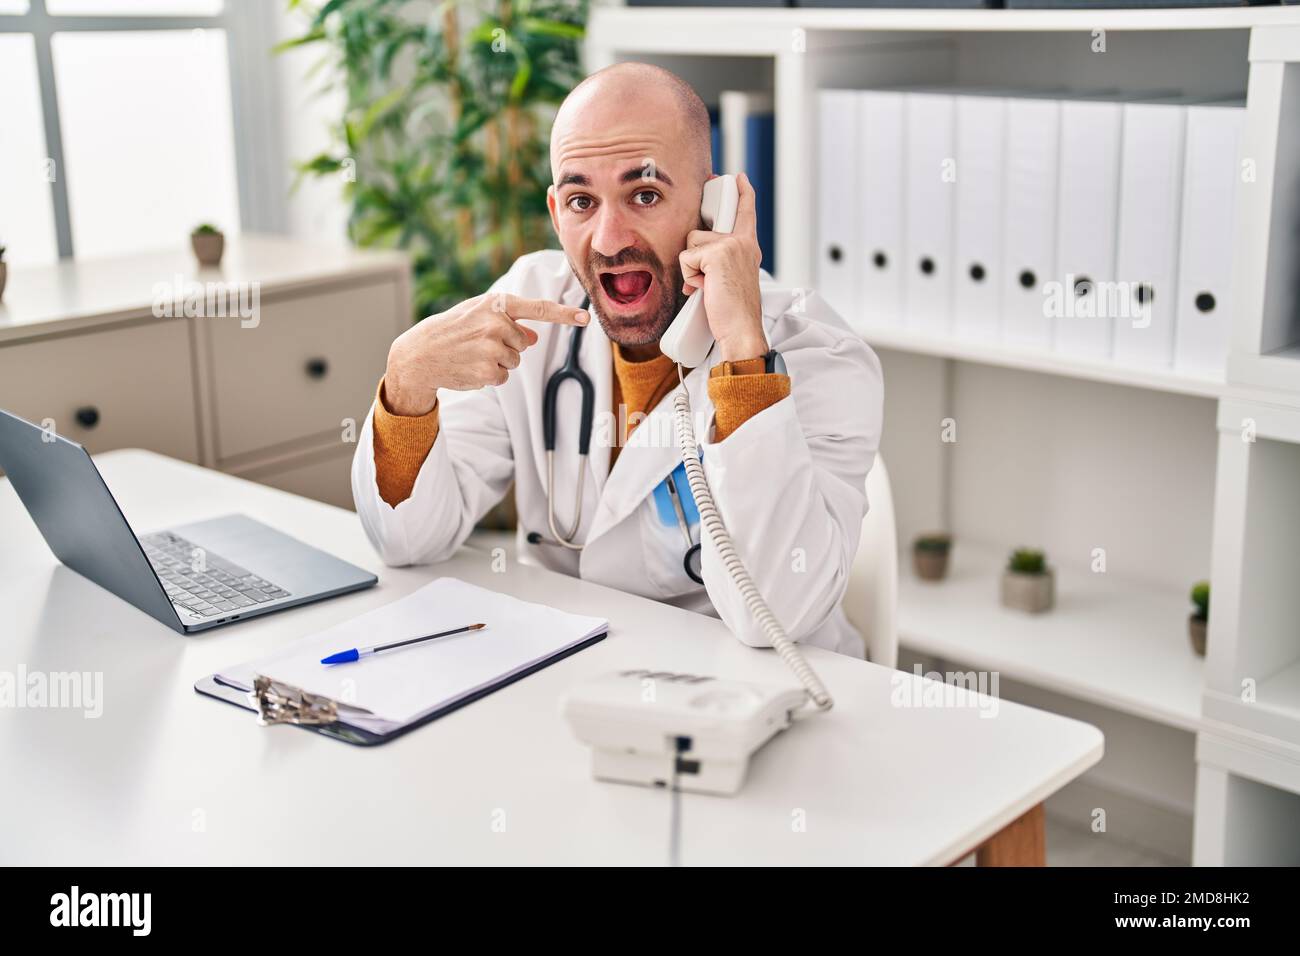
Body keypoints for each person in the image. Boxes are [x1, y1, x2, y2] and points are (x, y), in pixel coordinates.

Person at [352, 62, 883, 656]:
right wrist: (406, 381)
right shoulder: (530, 314)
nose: (608, 239)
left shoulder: (819, 355)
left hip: (758, 695)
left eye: (645, 194)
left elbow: (775, 617)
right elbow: (408, 543)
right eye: (582, 201)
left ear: (714, 207)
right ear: (556, 213)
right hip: (570, 674)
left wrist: (741, 351)